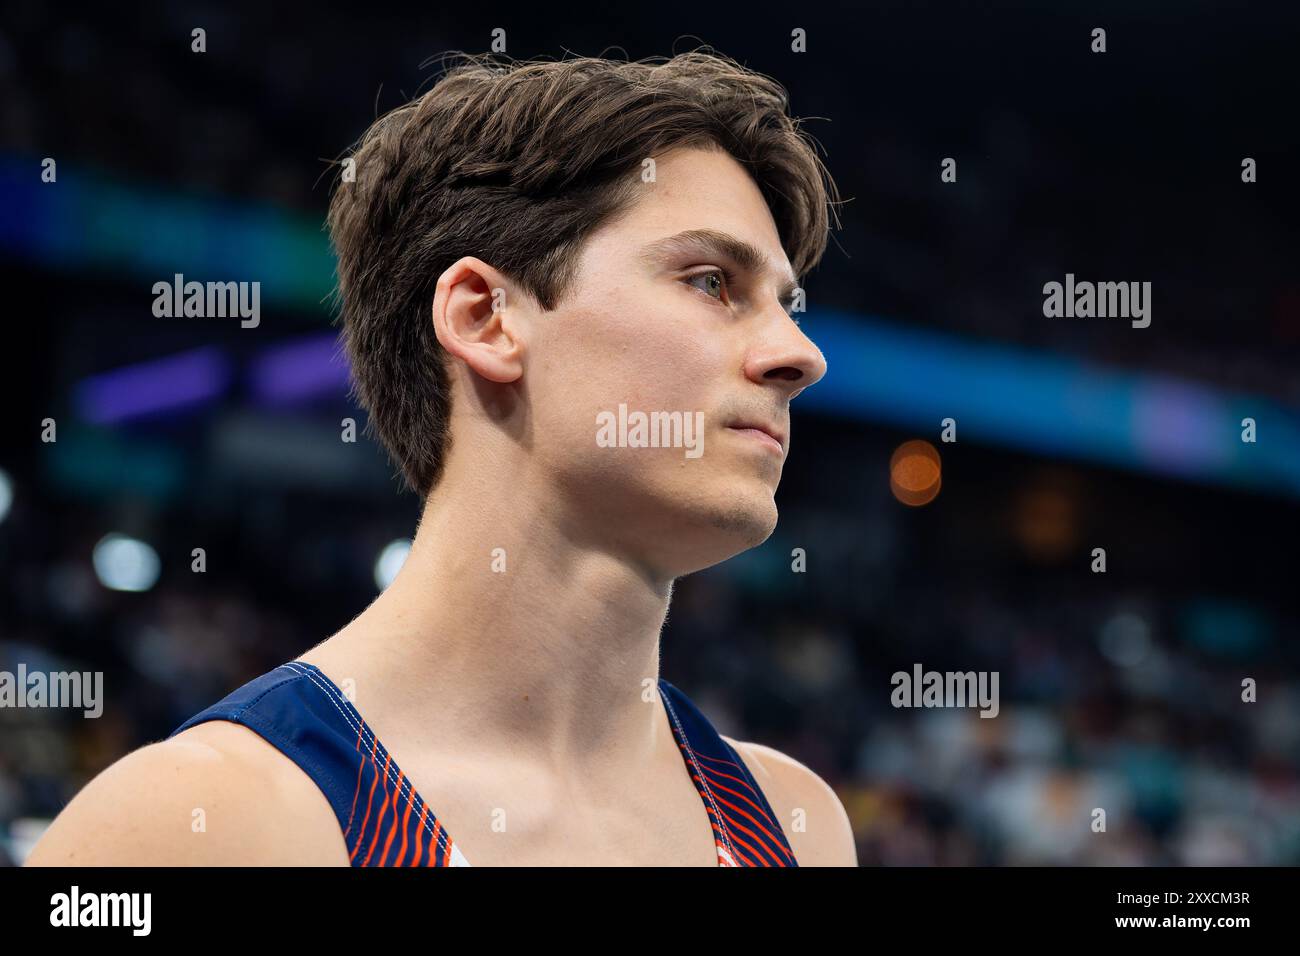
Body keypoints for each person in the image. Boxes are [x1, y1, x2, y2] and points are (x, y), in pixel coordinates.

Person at [27, 49, 855, 866]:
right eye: (712, 282)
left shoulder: (797, 822)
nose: (799, 354)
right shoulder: (200, 823)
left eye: (786, 305)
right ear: (485, 318)